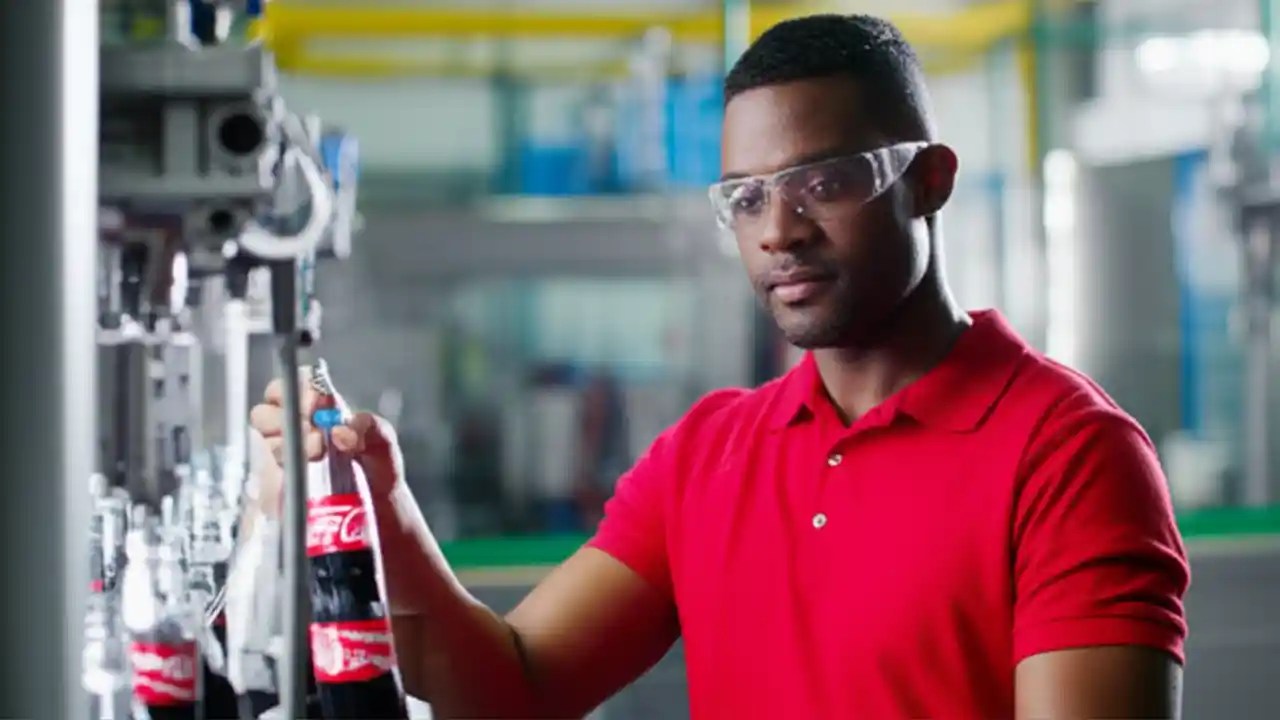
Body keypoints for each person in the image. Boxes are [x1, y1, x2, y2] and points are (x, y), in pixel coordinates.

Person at [250, 14, 1189, 719]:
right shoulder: (712, 453)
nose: (779, 229)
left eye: (824, 182)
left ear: (928, 181)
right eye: (746, 197)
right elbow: (517, 685)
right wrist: (386, 518)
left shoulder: (1069, 455)